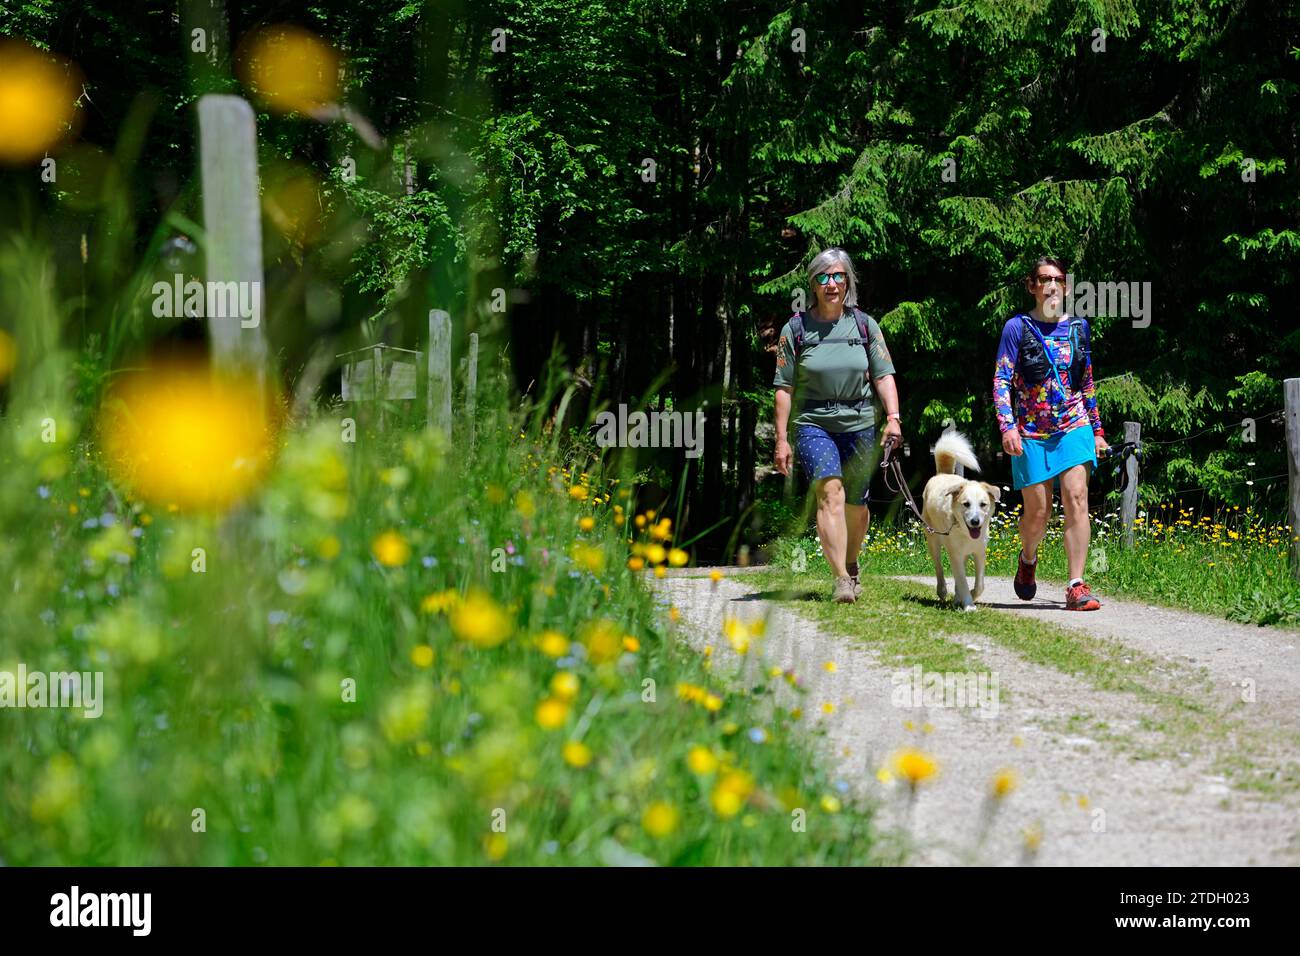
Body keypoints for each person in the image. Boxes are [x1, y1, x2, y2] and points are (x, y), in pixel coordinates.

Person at [773, 247, 902, 604]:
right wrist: (781, 439)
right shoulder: (795, 329)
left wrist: (893, 418)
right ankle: (841, 579)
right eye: (823, 277)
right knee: (830, 491)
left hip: (860, 421)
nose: (831, 284)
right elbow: (783, 387)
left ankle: (851, 561)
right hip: (813, 421)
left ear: (848, 282)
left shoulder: (865, 325)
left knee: (857, 505)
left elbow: (884, 375)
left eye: (838, 276)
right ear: (813, 284)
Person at [993, 257, 1109, 611]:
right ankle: (1028, 559)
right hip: (1029, 433)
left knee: (1077, 498)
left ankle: (1076, 585)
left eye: (1058, 280)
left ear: (1067, 287)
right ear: (1032, 286)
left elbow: (1086, 382)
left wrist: (1098, 431)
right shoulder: (1017, 327)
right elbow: (1001, 380)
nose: (1052, 286)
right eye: (1044, 280)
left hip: (1074, 426)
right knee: (1038, 513)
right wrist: (1007, 426)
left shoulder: (1079, 328)